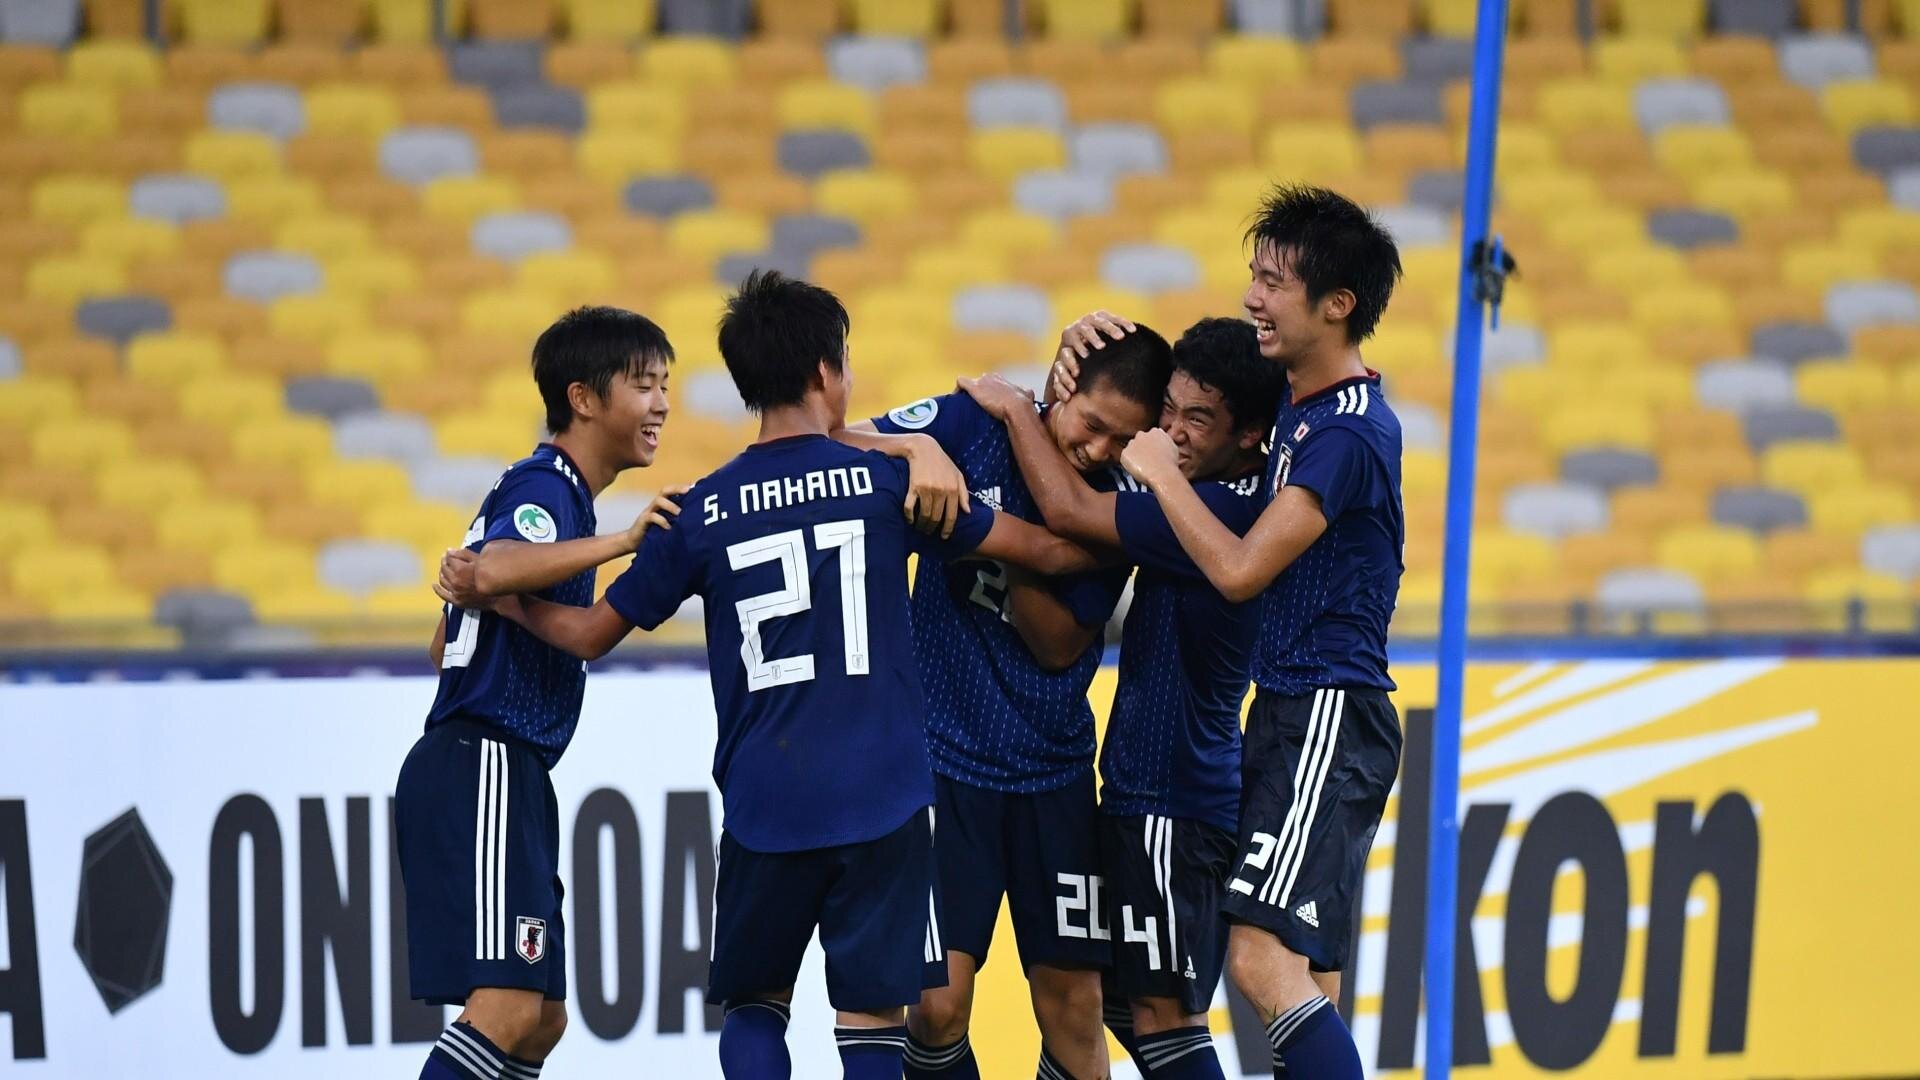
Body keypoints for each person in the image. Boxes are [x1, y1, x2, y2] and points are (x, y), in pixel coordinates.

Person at [438, 271, 1102, 1080]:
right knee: (872, 1022)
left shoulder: (700, 510)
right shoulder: (891, 485)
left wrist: (501, 603)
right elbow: (1049, 549)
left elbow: (587, 635)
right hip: (885, 794)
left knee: (757, 1007)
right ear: (827, 372)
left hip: (765, 800)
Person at [1108, 185, 1406, 1080]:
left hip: (1322, 709)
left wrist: (1159, 473)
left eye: (1273, 281)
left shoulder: (1346, 434)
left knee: (1257, 961)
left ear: (1337, 305)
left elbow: (1240, 570)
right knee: (1311, 972)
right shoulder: (1300, 407)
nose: (1253, 298)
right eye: (1254, 276)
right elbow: (1214, 374)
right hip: (1300, 711)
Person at [846, 330, 1174, 1080]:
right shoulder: (970, 426)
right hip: (940, 767)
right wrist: (917, 453)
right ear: (1060, 389)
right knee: (935, 1007)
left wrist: (985, 532)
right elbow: (838, 441)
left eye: (1124, 438)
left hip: (1052, 775)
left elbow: (1057, 642)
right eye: (1092, 424)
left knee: (1074, 1010)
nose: (1100, 448)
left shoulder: (1120, 502)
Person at [962, 315, 1282, 1080]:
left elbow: (1071, 511)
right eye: (1168, 409)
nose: (1166, 435)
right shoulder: (1196, 496)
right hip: (1144, 796)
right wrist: (1070, 351)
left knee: (1162, 1020)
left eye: (1196, 419)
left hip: (1173, 805)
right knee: (1103, 1005)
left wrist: (1013, 409)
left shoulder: (1216, 511)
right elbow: (1095, 424)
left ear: (1251, 434)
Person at [396, 305, 681, 1080]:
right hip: (484, 756)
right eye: (643, 384)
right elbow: (488, 569)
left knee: (542, 1019)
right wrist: (626, 541)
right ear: (583, 398)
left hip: (502, 768)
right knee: (511, 1007)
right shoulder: (547, 486)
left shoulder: (557, 498)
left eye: (665, 385)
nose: (661, 402)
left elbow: (447, 634)